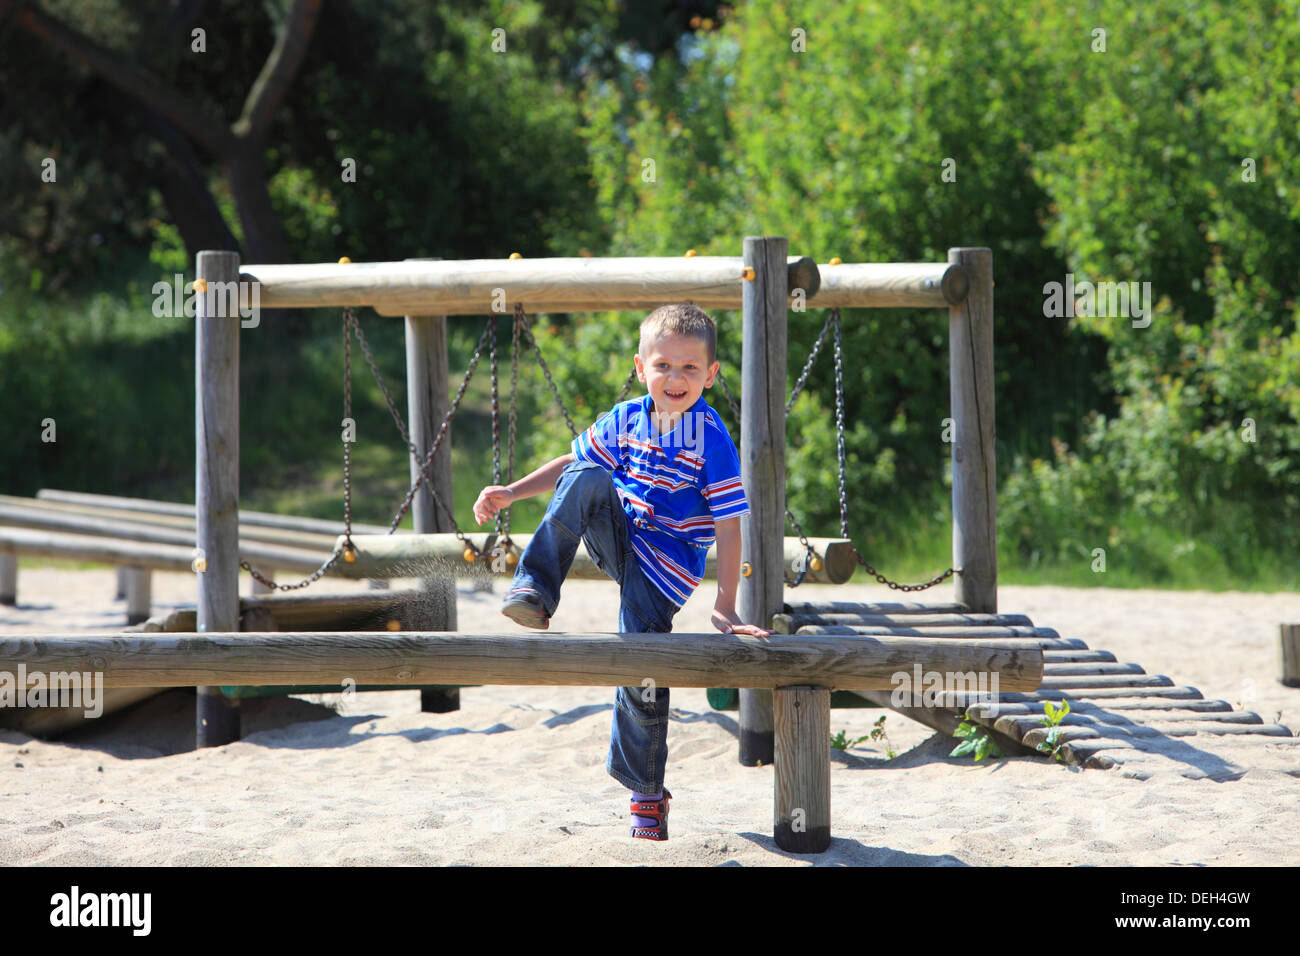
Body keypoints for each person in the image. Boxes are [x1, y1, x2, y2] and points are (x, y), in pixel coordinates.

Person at [472, 303, 770, 841]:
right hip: (623, 539)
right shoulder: (627, 417)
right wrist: (512, 492)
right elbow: (571, 465)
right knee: (586, 473)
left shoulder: (712, 440)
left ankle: (647, 795)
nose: (675, 379)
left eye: (689, 368)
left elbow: (729, 526)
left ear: (711, 373)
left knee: (639, 671)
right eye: (663, 366)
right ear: (641, 367)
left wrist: (724, 606)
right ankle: (535, 590)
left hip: (665, 573)